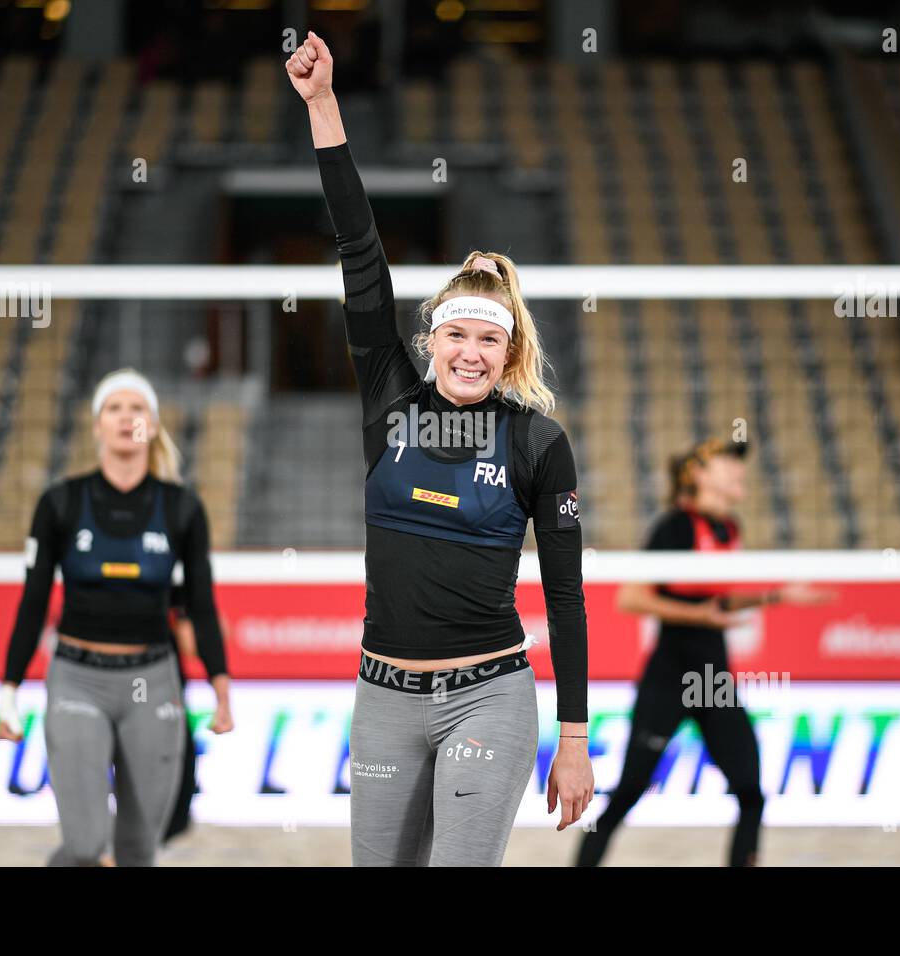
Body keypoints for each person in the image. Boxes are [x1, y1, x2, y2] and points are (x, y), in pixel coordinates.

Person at [290, 30, 593, 866]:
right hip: (381, 695)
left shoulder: (538, 441)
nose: (469, 352)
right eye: (454, 333)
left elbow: (565, 599)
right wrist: (324, 108)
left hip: (488, 698)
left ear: (509, 352)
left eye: (487, 340)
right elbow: (360, 251)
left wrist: (575, 737)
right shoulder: (389, 397)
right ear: (428, 343)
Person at [0, 368, 234, 866]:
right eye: (114, 409)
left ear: (153, 424)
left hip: (151, 681)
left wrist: (220, 690)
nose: (126, 418)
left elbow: (202, 604)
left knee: (137, 851)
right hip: (77, 678)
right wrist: (9, 692)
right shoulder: (60, 502)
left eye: (137, 409)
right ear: (96, 426)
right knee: (84, 845)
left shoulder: (182, 509)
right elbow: (33, 601)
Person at [575, 438, 833, 867]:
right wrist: (701, 617)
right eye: (726, 462)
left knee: (751, 791)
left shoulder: (729, 529)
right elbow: (632, 598)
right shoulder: (675, 526)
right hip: (669, 677)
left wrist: (776, 595)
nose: (738, 469)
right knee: (627, 793)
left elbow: (718, 603)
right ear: (696, 475)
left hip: (713, 680)